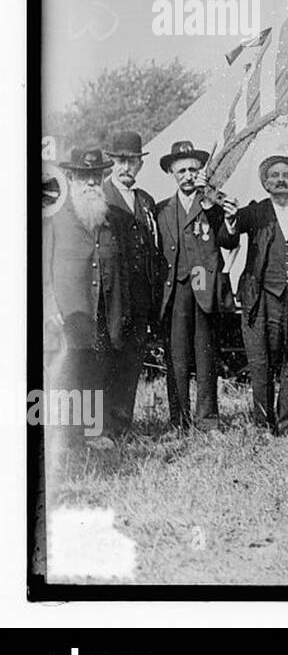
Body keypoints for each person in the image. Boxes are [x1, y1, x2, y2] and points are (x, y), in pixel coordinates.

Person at [218, 155, 288, 433]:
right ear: (266, 182)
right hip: (261, 300)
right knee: (260, 362)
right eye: (275, 175)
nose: (280, 180)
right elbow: (228, 238)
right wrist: (230, 218)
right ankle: (262, 424)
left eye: (286, 176)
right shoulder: (255, 213)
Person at [42, 148, 137, 450]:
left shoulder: (110, 216)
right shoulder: (54, 215)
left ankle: (93, 433)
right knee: (65, 371)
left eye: (96, 176)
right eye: (85, 177)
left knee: (95, 368)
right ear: (71, 177)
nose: (92, 183)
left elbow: (119, 267)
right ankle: (63, 436)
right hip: (65, 312)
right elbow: (41, 265)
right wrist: (49, 306)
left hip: (100, 309)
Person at [155, 140, 227, 431]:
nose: (187, 175)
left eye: (193, 170)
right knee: (177, 359)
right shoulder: (160, 210)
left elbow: (229, 240)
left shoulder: (213, 203)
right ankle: (179, 421)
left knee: (206, 356)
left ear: (200, 173)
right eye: (181, 170)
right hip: (174, 293)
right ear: (172, 172)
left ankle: (208, 419)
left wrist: (210, 201)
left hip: (205, 290)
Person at [100, 131, 160, 437]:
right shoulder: (99, 196)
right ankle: (101, 428)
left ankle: (122, 427)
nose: (126, 167)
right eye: (121, 160)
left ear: (139, 164)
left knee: (132, 361)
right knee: (107, 359)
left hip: (139, 297)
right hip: (110, 297)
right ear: (112, 162)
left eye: (132, 161)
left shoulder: (146, 201)